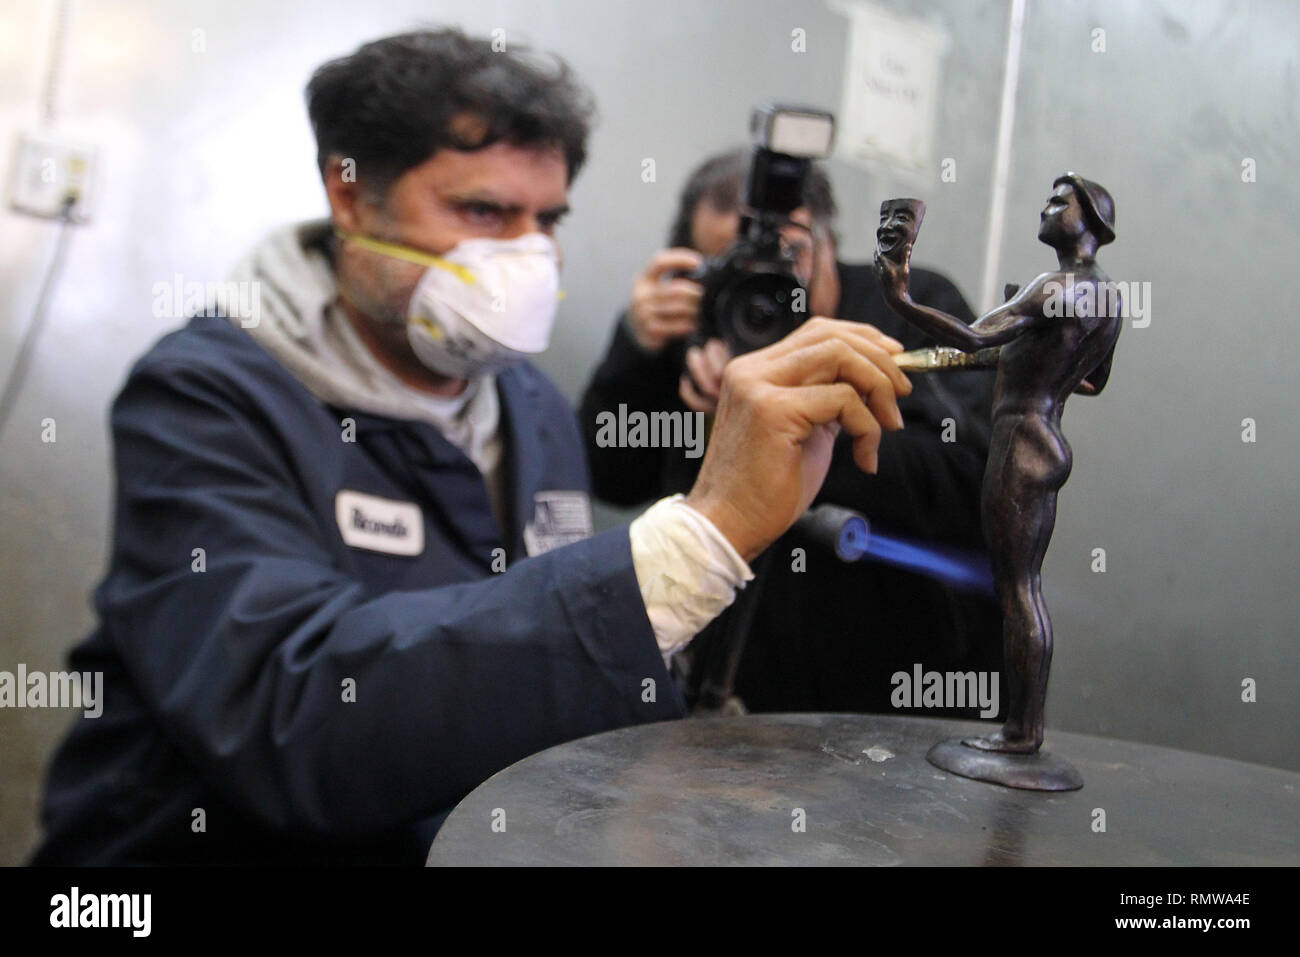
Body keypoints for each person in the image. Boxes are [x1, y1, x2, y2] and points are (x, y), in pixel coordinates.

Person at [30, 29, 909, 865]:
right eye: (483, 209)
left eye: (546, 218)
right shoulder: (206, 397)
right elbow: (287, 714)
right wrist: (692, 546)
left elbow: (525, 685)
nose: (526, 256)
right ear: (349, 194)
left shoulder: (529, 407)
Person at [580, 149, 1002, 714]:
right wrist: (636, 348)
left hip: (900, 684)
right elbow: (608, 476)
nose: (769, 289)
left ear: (829, 240)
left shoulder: (909, 308)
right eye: (736, 268)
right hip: (733, 690)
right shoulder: (697, 335)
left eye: (789, 257)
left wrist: (799, 426)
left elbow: (978, 486)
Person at [875, 173, 1120, 753]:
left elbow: (970, 338)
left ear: (1089, 221)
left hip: (1019, 441)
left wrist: (899, 298)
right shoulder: (1107, 296)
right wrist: (1037, 362)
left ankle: (1020, 733)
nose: (1048, 205)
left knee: (1015, 591)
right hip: (1045, 437)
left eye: (1060, 201)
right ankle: (1024, 731)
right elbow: (1093, 380)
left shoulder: (1051, 286)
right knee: (1021, 588)